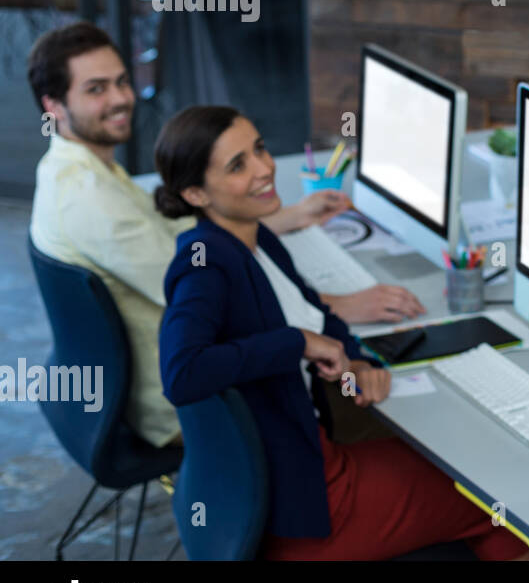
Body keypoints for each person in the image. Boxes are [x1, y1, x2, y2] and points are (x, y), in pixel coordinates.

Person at [154, 105, 529, 559]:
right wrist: (297, 342)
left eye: (259, 149)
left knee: (475, 474)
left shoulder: (255, 237)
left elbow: (316, 312)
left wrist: (358, 361)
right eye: (238, 166)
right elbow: (181, 372)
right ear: (195, 193)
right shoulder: (203, 263)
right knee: (502, 498)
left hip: (306, 471)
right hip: (309, 508)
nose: (265, 168)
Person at [27, 23, 424, 448]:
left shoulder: (78, 169)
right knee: (407, 426)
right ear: (54, 106)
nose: (121, 98)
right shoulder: (87, 199)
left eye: (122, 82)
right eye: (96, 89)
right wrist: (342, 305)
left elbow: (184, 236)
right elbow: (212, 283)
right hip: (192, 408)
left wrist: (282, 217)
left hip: (160, 382)